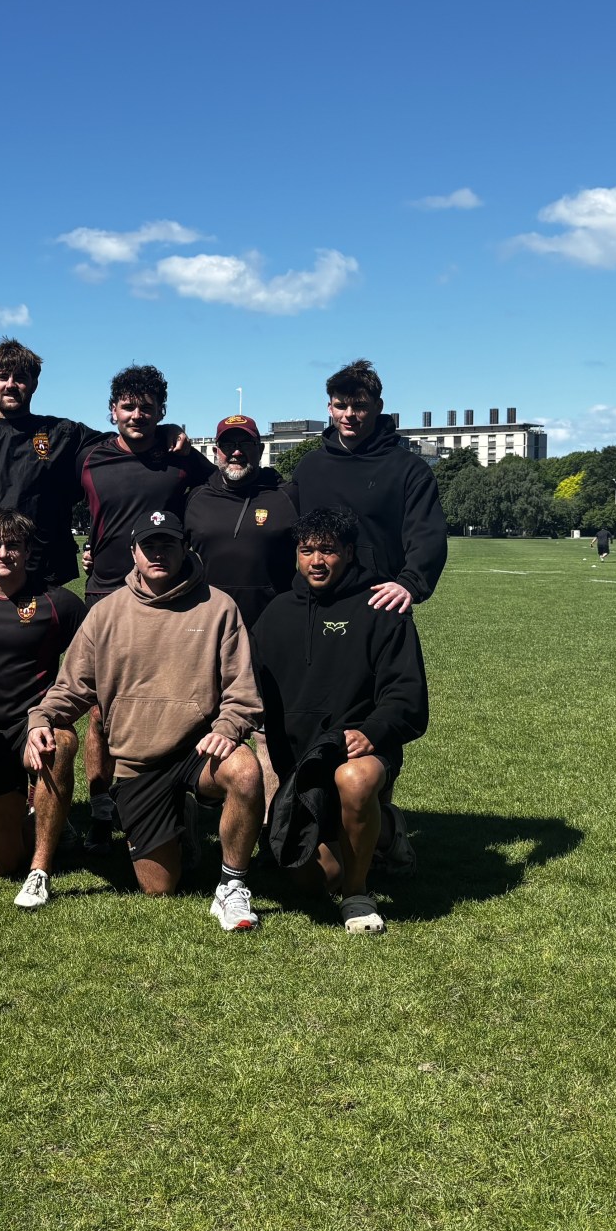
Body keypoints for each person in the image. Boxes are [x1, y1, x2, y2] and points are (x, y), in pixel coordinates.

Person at [24, 511, 264, 929]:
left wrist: (228, 728)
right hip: (138, 761)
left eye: (167, 544)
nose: (158, 553)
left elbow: (242, 693)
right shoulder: (105, 613)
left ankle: (232, 886)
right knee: (159, 887)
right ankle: (180, 820)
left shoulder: (219, 606)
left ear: (183, 548)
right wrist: (41, 719)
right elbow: (73, 687)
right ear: (133, 552)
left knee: (244, 771)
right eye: (149, 545)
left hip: (198, 751)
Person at [251, 506, 428, 935]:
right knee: (308, 880)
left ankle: (358, 895)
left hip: (361, 754)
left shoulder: (381, 609)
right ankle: (383, 833)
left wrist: (371, 732)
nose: (316, 560)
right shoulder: (275, 615)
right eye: (307, 549)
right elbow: (250, 693)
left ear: (348, 553)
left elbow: (409, 699)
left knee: (354, 779)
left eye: (328, 550)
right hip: (301, 770)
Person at [73, 364, 212, 841]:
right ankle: (100, 808)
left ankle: (174, 799)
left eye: (148, 408)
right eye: (129, 406)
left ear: (162, 412)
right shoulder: (88, 458)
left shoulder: (180, 457)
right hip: (106, 593)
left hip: (170, 597)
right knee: (98, 708)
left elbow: (222, 494)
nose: (137, 415)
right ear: (113, 411)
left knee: (173, 700)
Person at [0, 511, 86, 908]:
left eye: (13, 545)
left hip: (36, 727)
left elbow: (95, 656)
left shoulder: (57, 601)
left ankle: (39, 872)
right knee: (2, 861)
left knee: (59, 742)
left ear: (27, 550)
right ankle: (43, 816)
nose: (4, 553)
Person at [284, 358, 447, 615]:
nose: (349, 415)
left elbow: (428, 535)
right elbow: (281, 525)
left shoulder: (408, 469)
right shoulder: (310, 466)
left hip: (378, 603)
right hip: (313, 603)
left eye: (359, 406)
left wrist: (410, 583)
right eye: (341, 405)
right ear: (329, 408)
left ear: (378, 406)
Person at [0, 337, 97, 591]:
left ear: (34, 383)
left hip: (43, 582)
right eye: (3, 376)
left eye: (20, 377)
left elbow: (121, 448)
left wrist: (167, 432)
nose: (11, 385)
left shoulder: (62, 433)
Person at [182, 416, 297, 630]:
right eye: (228, 444)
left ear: (260, 450)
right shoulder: (195, 498)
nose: (236, 452)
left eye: (245, 444)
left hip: (271, 624)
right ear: (217, 452)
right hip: (207, 623)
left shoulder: (288, 495)